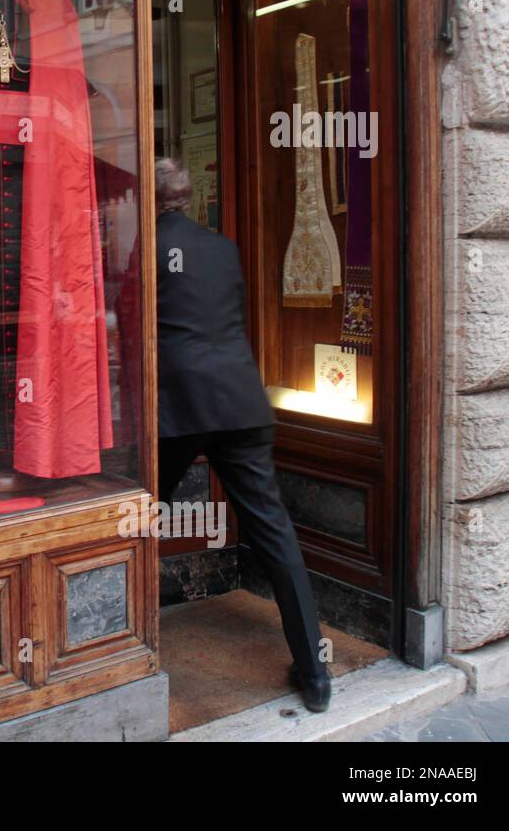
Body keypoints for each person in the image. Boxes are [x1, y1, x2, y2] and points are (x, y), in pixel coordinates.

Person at [154, 157, 331, 713]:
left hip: (178, 407)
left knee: (131, 527)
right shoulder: (224, 248)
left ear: (152, 198)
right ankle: (316, 673)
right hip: (239, 400)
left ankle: (111, 657)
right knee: (276, 534)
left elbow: (138, 323)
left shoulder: (149, 248)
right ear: (188, 194)